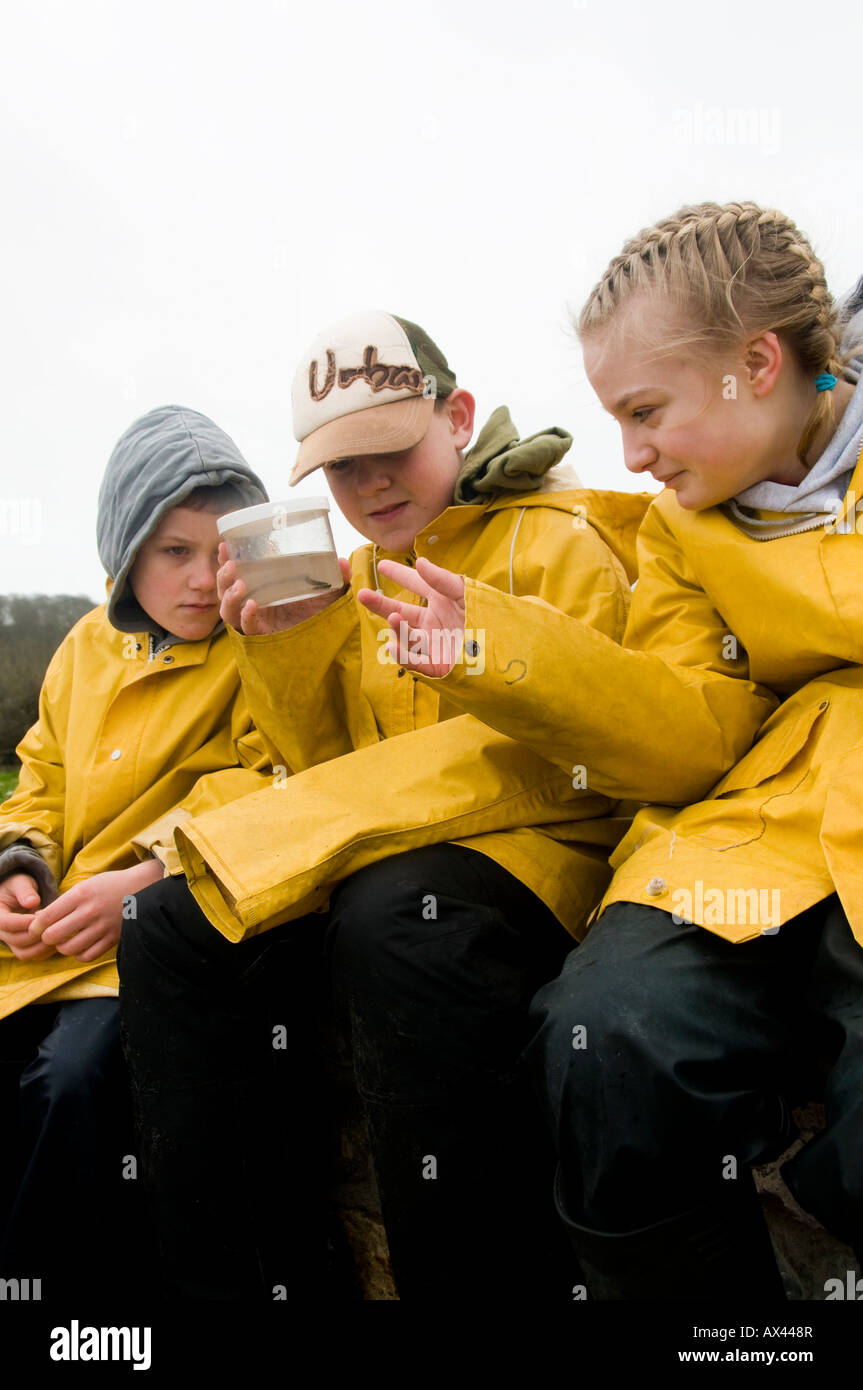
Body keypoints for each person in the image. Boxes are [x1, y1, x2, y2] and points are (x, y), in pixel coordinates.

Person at [360, 206, 863, 1299]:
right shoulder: (682, 533)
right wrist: (490, 649)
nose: (629, 454)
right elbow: (689, 732)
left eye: (644, 411)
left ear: (753, 363)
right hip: (755, 833)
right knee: (602, 1031)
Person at [118, 309, 650, 1300]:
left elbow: (556, 762)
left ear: (456, 414)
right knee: (169, 924)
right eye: (337, 467)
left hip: (543, 861)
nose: (367, 483)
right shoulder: (344, 578)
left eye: (389, 448)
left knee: (398, 916)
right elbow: (317, 766)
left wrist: (307, 830)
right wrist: (288, 643)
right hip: (387, 851)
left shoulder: (562, 536)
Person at [0, 404, 271, 1299]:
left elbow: (270, 780)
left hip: (149, 937)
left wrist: (152, 871)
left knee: (74, 1081)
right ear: (125, 553)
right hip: (47, 934)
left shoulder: (262, 646)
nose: (204, 579)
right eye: (173, 551)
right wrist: (17, 868)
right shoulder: (84, 645)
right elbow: (37, 772)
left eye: (223, 551)